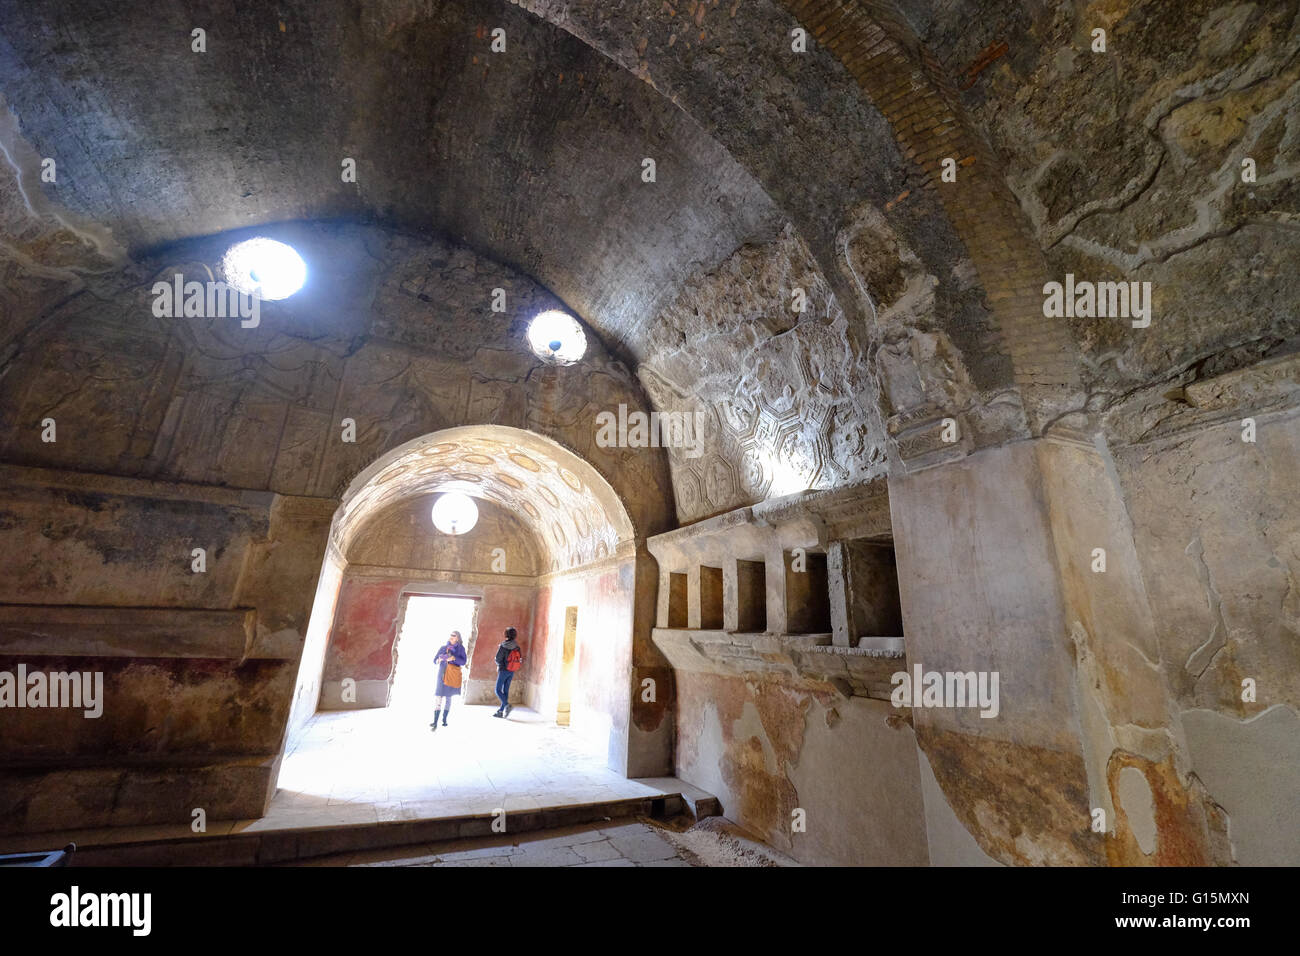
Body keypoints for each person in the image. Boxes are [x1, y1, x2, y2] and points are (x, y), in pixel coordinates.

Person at [431, 630, 467, 731]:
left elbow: (463, 661)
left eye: (453, 635)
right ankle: (435, 721)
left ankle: (444, 720)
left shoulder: (461, 649)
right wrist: (439, 660)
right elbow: (434, 660)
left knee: (448, 697)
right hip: (441, 675)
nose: (451, 637)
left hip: (451, 676)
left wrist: (453, 658)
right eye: (450, 635)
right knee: (438, 696)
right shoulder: (443, 648)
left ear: (458, 638)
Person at [493, 626, 523, 718]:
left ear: (506, 635)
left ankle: (507, 705)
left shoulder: (503, 646)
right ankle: (501, 711)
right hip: (512, 671)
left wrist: (498, 665)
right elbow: (520, 659)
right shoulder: (517, 647)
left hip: (503, 670)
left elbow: (498, 659)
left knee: (497, 690)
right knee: (505, 691)